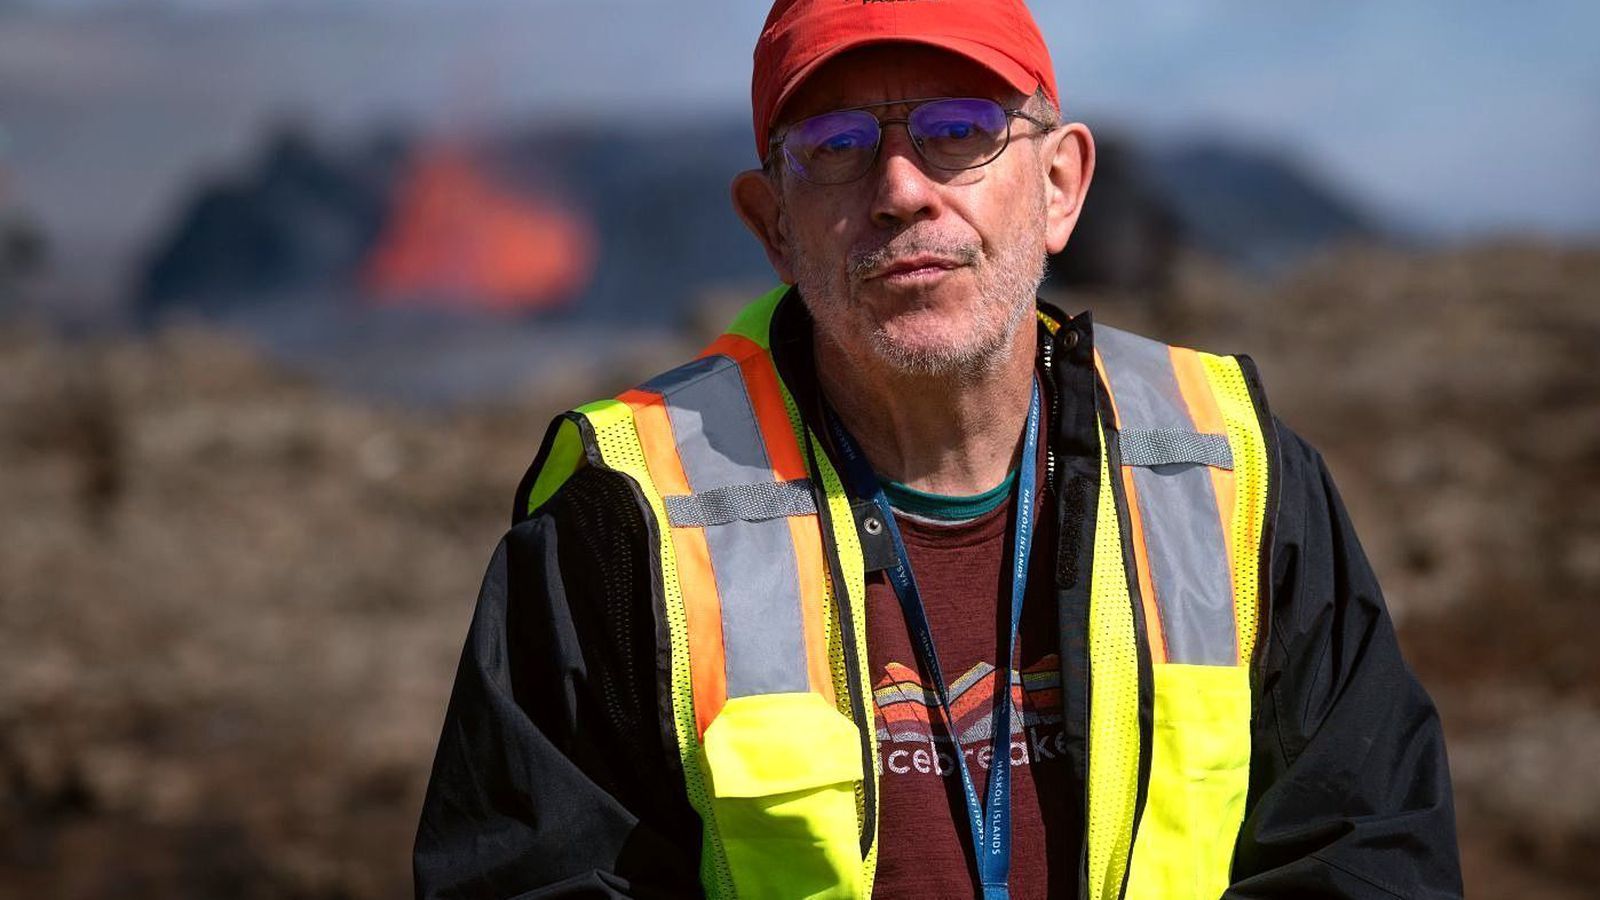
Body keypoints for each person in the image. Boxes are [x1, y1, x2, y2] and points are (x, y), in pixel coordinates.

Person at [413, 1, 1462, 897]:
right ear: (773, 227)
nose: (902, 189)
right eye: (836, 146)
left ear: (1060, 186)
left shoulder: (1232, 473)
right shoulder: (624, 519)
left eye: (959, 130)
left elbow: (1366, 851)